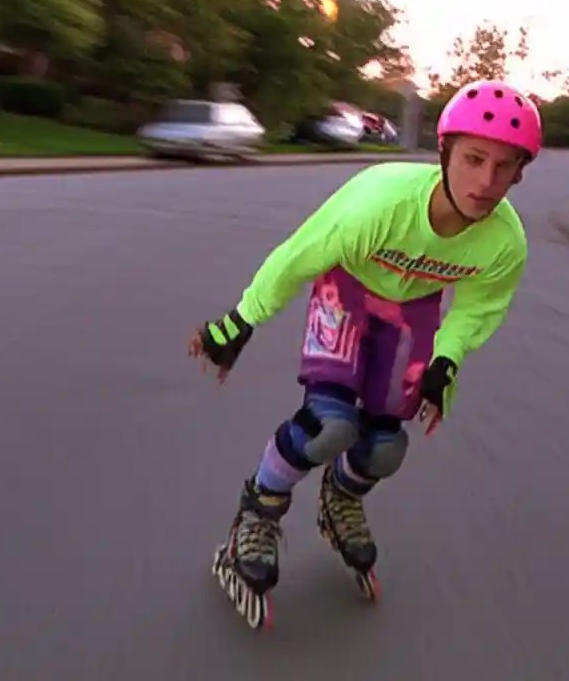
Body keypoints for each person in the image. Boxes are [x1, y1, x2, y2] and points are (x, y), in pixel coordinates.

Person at [188, 79, 542, 630]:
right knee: (330, 426)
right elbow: (298, 256)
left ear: (520, 172)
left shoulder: (504, 243)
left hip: (412, 309)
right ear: (445, 152)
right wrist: (240, 321)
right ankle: (257, 511)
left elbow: (476, 308)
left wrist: (447, 361)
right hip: (348, 290)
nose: (485, 182)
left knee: (384, 448)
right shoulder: (382, 206)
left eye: (504, 167)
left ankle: (342, 500)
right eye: (474, 160)